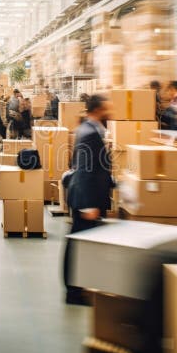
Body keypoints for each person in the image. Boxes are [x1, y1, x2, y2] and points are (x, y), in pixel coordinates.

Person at [63, 94, 114, 305]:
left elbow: (93, 167)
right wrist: (88, 204)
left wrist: (114, 183)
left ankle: (78, 289)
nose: (110, 113)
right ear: (98, 111)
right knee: (77, 246)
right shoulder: (89, 133)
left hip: (87, 195)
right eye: (107, 109)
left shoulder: (88, 130)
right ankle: (73, 292)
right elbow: (84, 170)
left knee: (80, 244)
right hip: (86, 199)